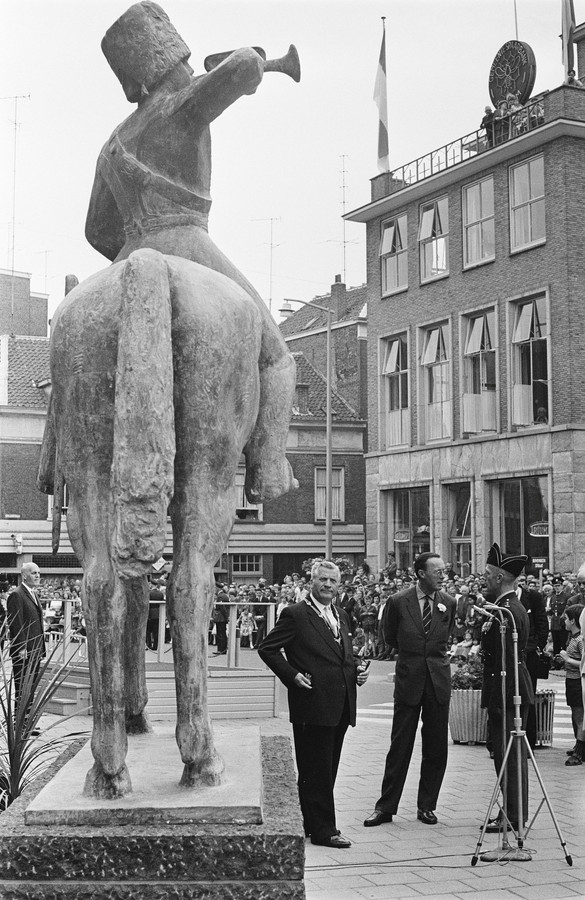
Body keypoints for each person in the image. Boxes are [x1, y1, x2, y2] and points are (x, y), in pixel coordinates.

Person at [258, 559, 369, 848]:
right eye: (323, 580)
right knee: (316, 768)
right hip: (312, 703)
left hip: (341, 703)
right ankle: (324, 830)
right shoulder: (295, 614)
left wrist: (357, 669)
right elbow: (267, 648)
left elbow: (341, 653)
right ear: (312, 582)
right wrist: (292, 675)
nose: (328, 586)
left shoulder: (341, 614)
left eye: (333, 581)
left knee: (324, 768)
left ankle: (307, 820)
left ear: (339, 584)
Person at [363, 552, 455, 828]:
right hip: (409, 679)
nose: (442, 575)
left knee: (436, 747)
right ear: (420, 574)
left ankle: (427, 806)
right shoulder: (398, 601)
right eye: (436, 571)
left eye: (444, 570)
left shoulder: (448, 602)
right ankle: (386, 807)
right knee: (400, 744)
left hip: (437, 681)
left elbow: (447, 634)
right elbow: (388, 636)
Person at [481, 543, 534, 833]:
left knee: (508, 753)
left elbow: (505, 657)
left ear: (500, 578)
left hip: (507, 687)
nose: (484, 577)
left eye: (489, 573)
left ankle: (514, 815)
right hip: (505, 686)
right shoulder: (504, 608)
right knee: (505, 752)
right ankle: (513, 811)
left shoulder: (509, 610)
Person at [7, 562, 46, 733]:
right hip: (24, 652)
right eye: (33, 573)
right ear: (24, 575)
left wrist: (41, 648)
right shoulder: (17, 595)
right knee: (22, 687)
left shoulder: (33, 594)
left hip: (35, 650)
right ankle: (20, 724)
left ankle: (27, 723)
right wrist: (22, 648)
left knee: (30, 687)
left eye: (38, 573)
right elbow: (16, 623)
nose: (37, 576)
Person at [517, 576, 549, 749]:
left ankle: (529, 741)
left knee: (529, 695)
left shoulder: (534, 597)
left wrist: (538, 646)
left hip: (529, 655)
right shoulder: (500, 597)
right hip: (509, 655)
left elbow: (542, 623)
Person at [558, 603, 584, 765]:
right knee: (576, 715)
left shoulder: (580, 639)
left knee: (580, 716)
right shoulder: (573, 638)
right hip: (571, 679)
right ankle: (579, 744)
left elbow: (584, 662)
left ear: (574, 621)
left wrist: (568, 659)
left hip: (577, 681)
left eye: (567, 619)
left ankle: (580, 751)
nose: (565, 622)